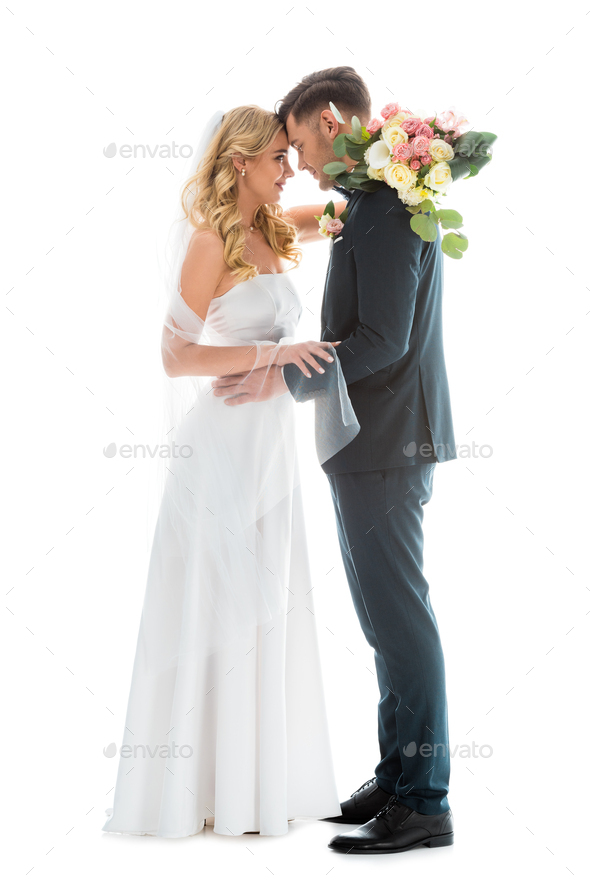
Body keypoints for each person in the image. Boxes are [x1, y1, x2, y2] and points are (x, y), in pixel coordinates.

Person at [214, 67, 457, 855]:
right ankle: (396, 778)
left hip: (386, 441)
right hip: (372, 442)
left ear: (327, 120)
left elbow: (382, 340)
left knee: (401, 622)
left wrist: (278, 379)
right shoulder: (379, 202)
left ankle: (425, 799)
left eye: (298, 146)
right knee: (385, 624)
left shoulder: (388, 206)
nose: (302, 166)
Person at [102, 105, 359, 839]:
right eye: (280, 157)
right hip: (218, 451)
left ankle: (250, 789)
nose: (291, 169)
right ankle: (192, 794)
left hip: (270, 451)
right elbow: (175, 356)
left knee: (266, 606)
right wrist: (270, 356)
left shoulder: (275, 229)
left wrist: (413, 148)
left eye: (289, 156)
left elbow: (350, 207)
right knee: (217, 609)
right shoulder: (212, 239)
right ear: (241, 162)